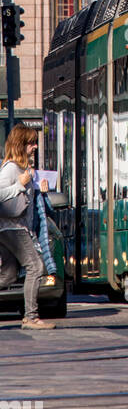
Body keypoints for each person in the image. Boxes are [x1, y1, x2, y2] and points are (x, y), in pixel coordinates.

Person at [0, 124, 54, 330]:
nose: (35, 147)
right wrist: (20, 184)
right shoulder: (11, 168)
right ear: (20, 145)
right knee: (36, 266)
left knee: (8, 275)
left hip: (16, 228)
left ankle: (31, 316)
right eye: (31, 143)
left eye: (35, 143)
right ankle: (31, 317)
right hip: (11, 228)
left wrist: (41, 191)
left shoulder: (25, 170)